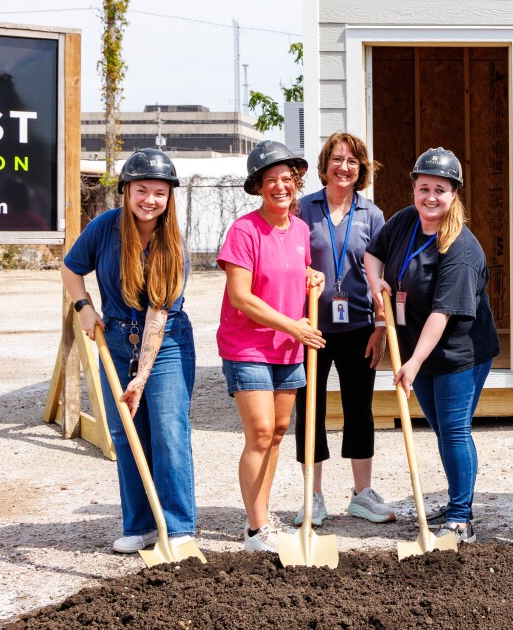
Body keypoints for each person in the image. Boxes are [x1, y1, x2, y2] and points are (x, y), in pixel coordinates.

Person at [61, 149, 197, 554]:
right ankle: (140, 525)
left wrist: (141, 376)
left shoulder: (174, 247)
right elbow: (71, 268)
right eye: (142, 190)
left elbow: (158, 317)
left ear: (170, 196)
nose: (150, 199)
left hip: (167, 341)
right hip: (115, 340)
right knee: (126, 432)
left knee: (168, 431)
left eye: (159, 192)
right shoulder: (105, 227)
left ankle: (176, 527)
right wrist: (84, 306)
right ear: (126, 191)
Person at [365, 147, 500, 544]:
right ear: (414, 189)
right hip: (417, 349)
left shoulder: (461, 249)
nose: (430, 197)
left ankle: (462, 517)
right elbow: (373, 255)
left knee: (455, 430)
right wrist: (378, 285)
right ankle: (459, 501)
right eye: (423, 188)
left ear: (454, 193)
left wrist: (413, 362)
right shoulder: (406, 221)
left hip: (459, 354)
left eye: (439, 190)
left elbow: (442, 314)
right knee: (442, 430)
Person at [216, 140, 325, 553]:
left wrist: (309, 274)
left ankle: (262, 513)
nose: (280, 187)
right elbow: (242, 297)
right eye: (270, 181)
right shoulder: (244, 230)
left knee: (279, 433)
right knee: (260, 431)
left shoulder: (299, 229)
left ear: (296, 183)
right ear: (259, 188)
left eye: (286, 179)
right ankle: (255, 528)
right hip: (247, 346)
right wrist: (294, 327)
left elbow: (286, 269)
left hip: (287, 347)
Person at [292, 132, 394, 527]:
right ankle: (312, 496)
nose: (344, 167)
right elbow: (291, 258)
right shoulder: (304, 209)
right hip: (312, 328)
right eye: (337, 159)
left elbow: (380, 275)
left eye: (352, 161)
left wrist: (381, 326)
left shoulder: (372, 215)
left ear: (361, 169)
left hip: (358, 327)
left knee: (359, 409)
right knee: (311, 410)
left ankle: (362, 494)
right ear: (325, 165)